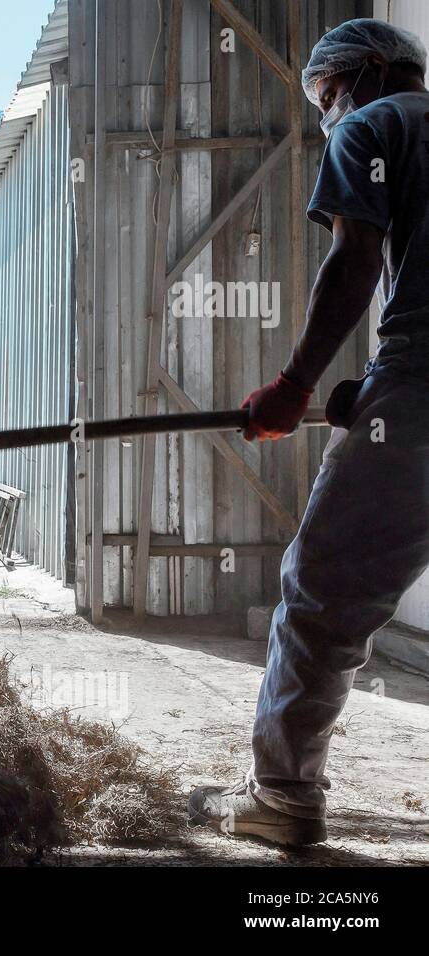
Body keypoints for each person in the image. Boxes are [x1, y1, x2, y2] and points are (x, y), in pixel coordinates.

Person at [189, 19, 429, 845]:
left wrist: (294, 385)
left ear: (364, 72)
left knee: (324, 588)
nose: (328, 114)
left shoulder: (375, 126)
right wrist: (367, 386)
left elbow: (356, 261)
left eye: (325, 95)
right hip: (410, 388)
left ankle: (284, 798)